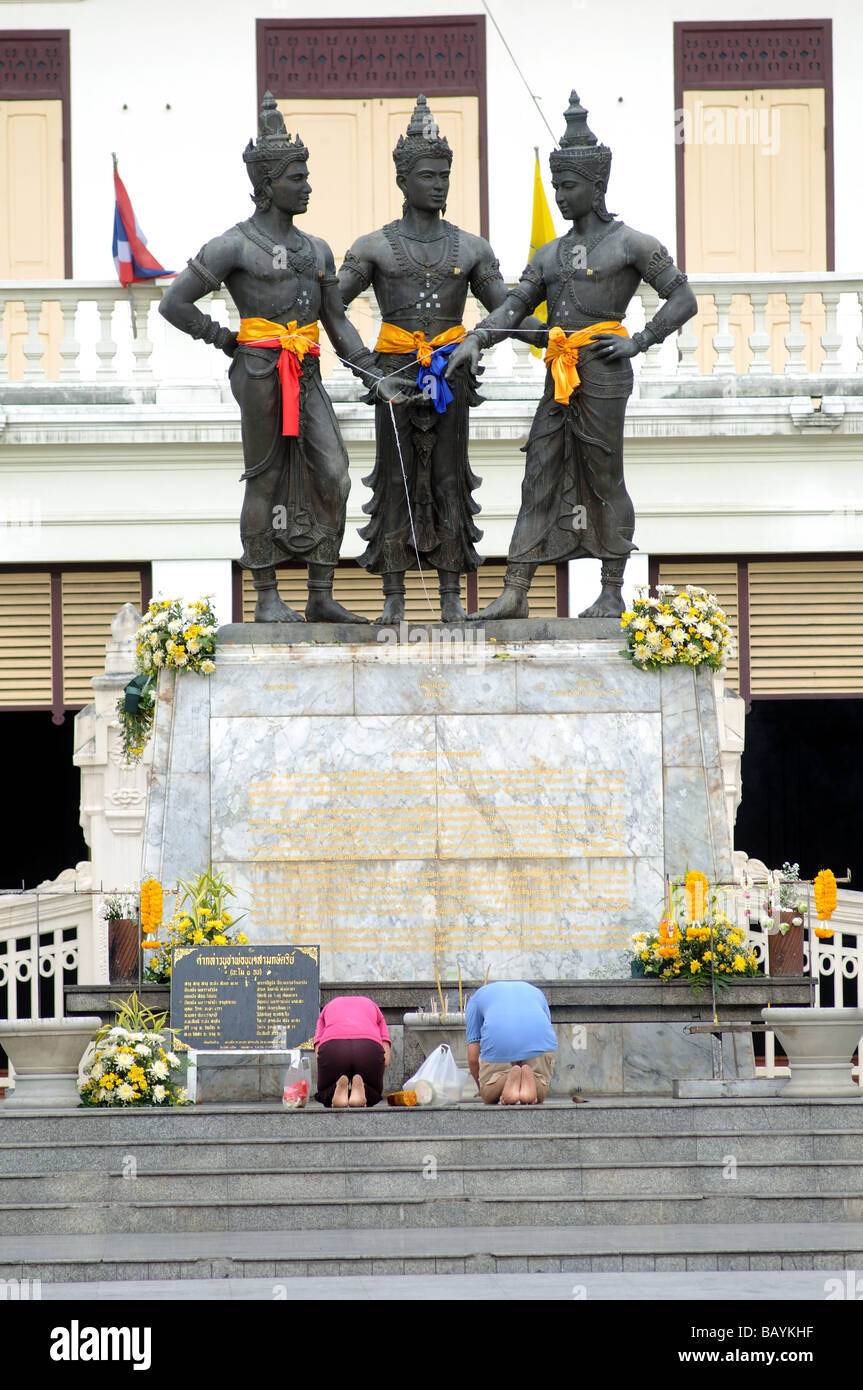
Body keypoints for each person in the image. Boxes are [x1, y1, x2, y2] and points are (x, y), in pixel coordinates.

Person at [446, 90, 697, 620]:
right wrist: (475, 338)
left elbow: (683, 297)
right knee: (539, 471)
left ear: (596, 186)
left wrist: (640, 339)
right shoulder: (549, 254)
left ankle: (611, 589)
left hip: (604, 373)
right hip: (558, 375)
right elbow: (513, 306)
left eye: (569, 185)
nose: (560, 195)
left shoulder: (633, 243)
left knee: (604, 476)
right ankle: (517, 588)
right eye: (557, 185)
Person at [159, 92, 402, 624]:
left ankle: (320, 590)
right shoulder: (232, 245)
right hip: (260, 370)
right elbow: (173, 303)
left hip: (308, 369)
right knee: (264, 478)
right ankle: (266, 595)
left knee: (334, 473)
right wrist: (225, 339)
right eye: (298, 178)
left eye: (306, 176)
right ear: (268, 186)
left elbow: (336, 319)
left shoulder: (316, 249)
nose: (308, 186)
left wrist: (372, 373)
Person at [339, 95, 542, 624]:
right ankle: (394, 597)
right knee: (394, 477)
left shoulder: (472, 248)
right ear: (403, 179)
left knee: (451, 477)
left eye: (445, 175)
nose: (439, 184)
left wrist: (561, 335)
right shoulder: (373, 248)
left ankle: (452, 594)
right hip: (395, 375)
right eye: (428, 175)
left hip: (452, 374)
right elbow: (328, 307)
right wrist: (363, 365)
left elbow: (507, 310)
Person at [465, 981, 557, 1105]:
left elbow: (472, 1058)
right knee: (540, 1083)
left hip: (499, 1039)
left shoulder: (475, 1000)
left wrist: (482, 1088)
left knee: (488, 1095)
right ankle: (532, 1082)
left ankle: (507, 1078)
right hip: (539, 1038)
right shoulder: (536, 992)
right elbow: (545, 1027)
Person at [313, 995, 391, 1108]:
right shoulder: (373, 1006)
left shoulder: (328, 1007)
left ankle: (335, 1091)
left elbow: (318, 1053)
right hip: (368, 1047)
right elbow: (386, 1059)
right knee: (374, 1091)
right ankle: (362, 1092)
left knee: (324, 1091)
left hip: (334, 1047)